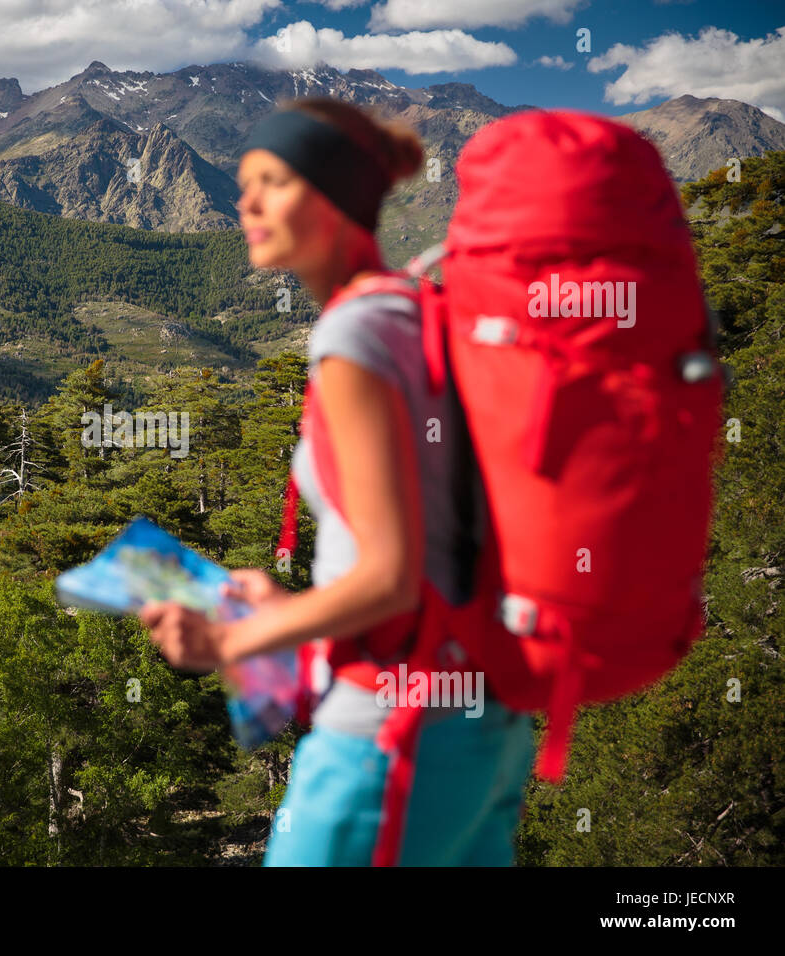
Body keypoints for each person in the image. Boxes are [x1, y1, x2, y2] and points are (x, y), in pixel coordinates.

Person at [138, 97, 535, 866]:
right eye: (245, 182)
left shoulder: (353, 336)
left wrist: (229, 639)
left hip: (391, 732)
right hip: (483, 721)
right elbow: (427, 549)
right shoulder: (415, 311)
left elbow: (389, 580)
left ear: (333, 197)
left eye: (271, 182)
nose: (244, 201)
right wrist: (296, 609)